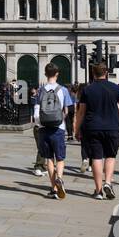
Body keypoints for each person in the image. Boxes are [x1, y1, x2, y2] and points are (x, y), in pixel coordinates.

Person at [74, 63, 119, 200]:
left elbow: (81, 112)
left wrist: (77, 129)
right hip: (111, 127)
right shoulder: (115, 88)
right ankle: (108, 182)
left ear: (93, 73)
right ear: (106, 73)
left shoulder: (87, 90)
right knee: (110, 156)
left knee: (96, 158)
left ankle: (98, 191)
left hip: (92, 127)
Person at [33, 63, 74, 199]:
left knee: (49, 159)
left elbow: (37, 110)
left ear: (45, 74)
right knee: (60, 158)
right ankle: (60, 178)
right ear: (57, 74)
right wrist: (60, 118)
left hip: (44, 128)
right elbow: (67, 111)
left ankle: (54, 189)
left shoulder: (41, 90)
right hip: (59, 128)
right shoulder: (63, 90)